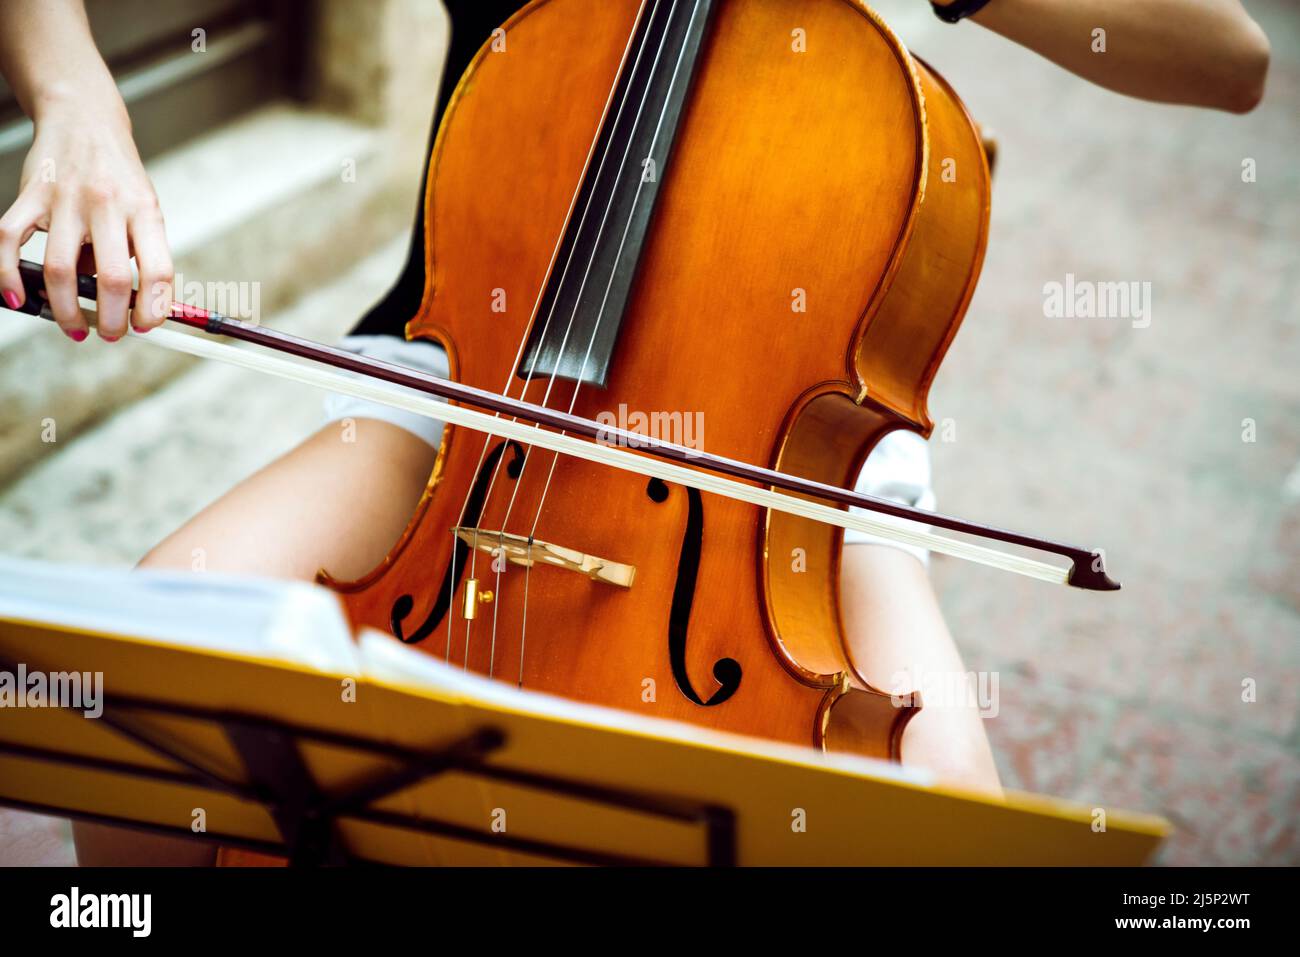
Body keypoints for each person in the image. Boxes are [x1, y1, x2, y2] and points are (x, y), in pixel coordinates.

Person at [0, 0, 1270, 865]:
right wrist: (79, 103)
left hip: (780, 444)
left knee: (944, 835)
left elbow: (1232, 57)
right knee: (137, 668)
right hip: (469, 378)